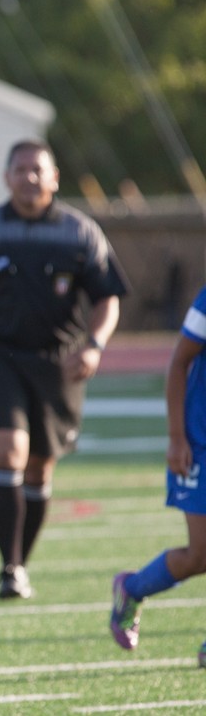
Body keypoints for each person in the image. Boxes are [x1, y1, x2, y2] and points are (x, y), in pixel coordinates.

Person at [0, 140, 127, 600]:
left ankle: (20, 562)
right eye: (20, 169)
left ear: (55, 178)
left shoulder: (81, 232)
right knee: (6, 451)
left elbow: (107, 299)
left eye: (38, 169)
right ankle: (9, 567)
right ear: (6, 177)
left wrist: (94, 346)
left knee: (38, 468)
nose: (29, 177)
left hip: (59, 363)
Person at [109, 284, 206, 668]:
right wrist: (176, 437)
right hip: (199, 443)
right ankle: (131, 589)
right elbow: (179, 362)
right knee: (201, 554)